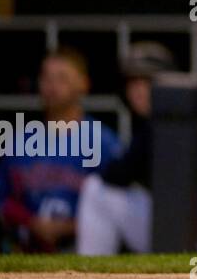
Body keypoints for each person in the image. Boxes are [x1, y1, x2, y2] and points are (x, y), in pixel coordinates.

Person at [0, 47, 121, 252]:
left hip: (84, 247)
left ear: (83, 84)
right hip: (25, 246)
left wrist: (69, 227)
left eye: (62, 78)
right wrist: (32, 223)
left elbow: (119, 207)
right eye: (46, 78)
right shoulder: (20, 142)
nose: (52, 86)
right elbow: (3, 199)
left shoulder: (104, 142)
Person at [74, 42, 173, 255]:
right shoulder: (150, 125)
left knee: (95, 188)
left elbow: (118, 174)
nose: (138, 91)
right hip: (175, 231)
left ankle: (91, 271)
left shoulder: (171, 124)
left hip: (191, 236)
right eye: (133, 83)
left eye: (146, 82)